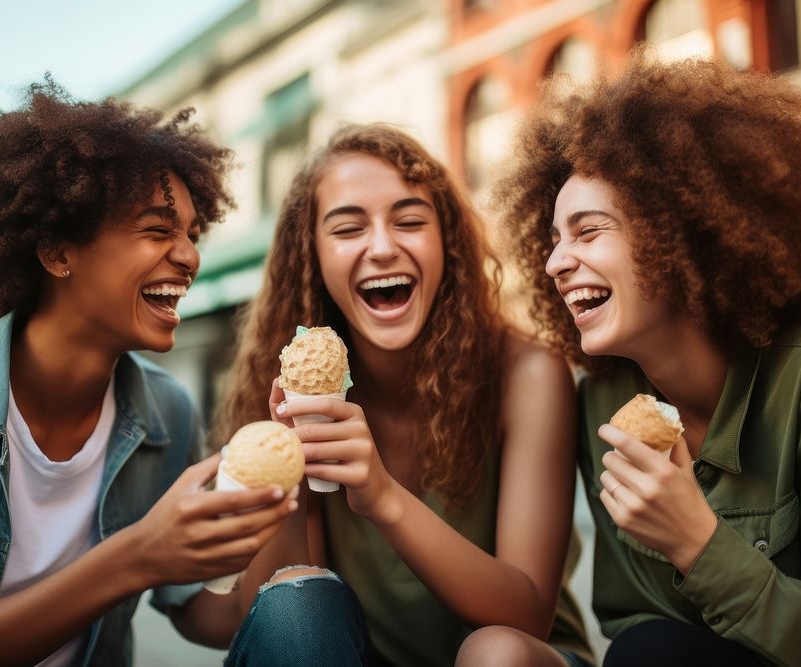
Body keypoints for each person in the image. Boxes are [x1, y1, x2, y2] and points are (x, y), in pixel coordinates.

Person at [0, 79, 307, 666]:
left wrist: (284, 487)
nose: (189, 256)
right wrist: (136, 557)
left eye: (192, 235)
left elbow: (215, 616)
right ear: (56, 252)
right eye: (158, 230)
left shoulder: (167, 412)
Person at [494, 50, 801, 666]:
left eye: (588, 233)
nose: (555, 262)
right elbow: (635, 627)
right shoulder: (604, 400)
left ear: (681, 232)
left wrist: (699, 545)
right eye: (555, 239)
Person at [213, 122, 594, 666]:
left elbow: (527, 613)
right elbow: (279, 621)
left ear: (448, 243)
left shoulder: (528, 373)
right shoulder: (283, 378)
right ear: (313, 256)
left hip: (520, 657)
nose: (384, 247)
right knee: (295, 606)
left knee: (496, 653)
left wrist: (382, 497)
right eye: (347, 230)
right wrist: (288, 476)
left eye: (410, 222)